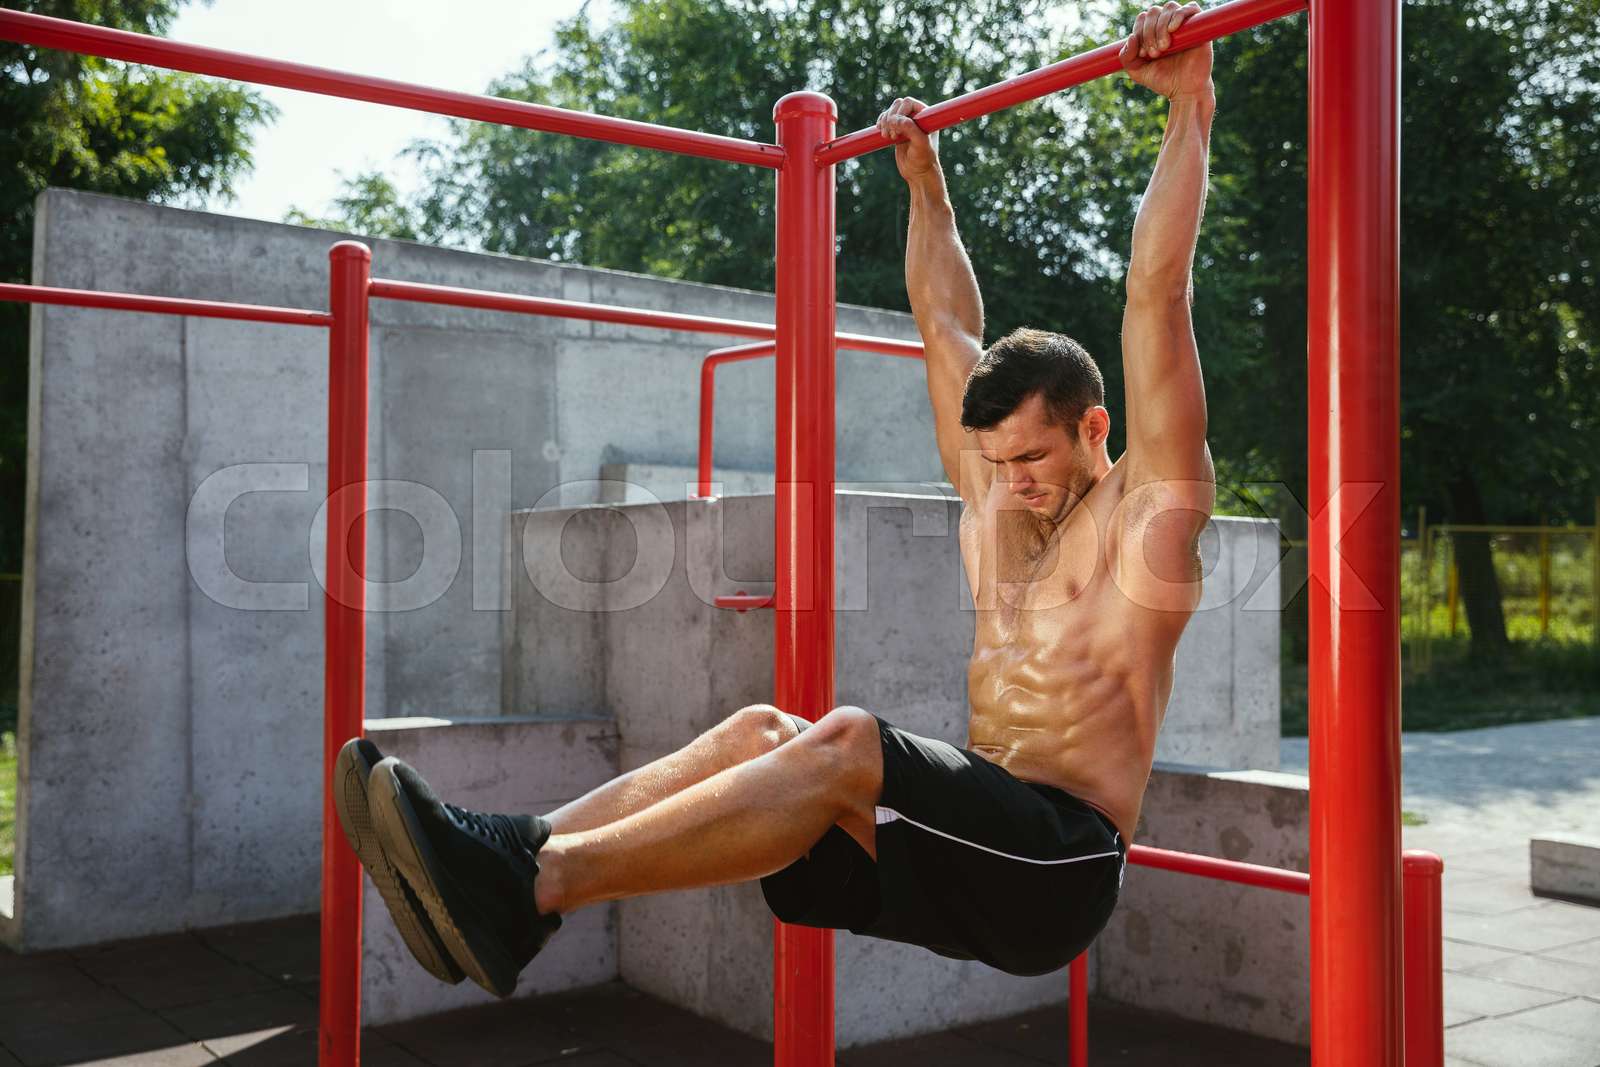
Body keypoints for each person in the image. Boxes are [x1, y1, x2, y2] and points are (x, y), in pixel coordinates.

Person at [336, 1, 1216, 998]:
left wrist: (1189, 103)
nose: (1010, 479)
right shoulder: (998, 500)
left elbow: (1158, 291)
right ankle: (515, 853)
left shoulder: (1147, 519)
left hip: (1057, 865)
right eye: (996, 458)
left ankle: (531, 884)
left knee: (844, 736)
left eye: (1032, 456)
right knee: (763, 728)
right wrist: (926, 185)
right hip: (968, 843)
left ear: (1096, 428)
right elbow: (945, 324)